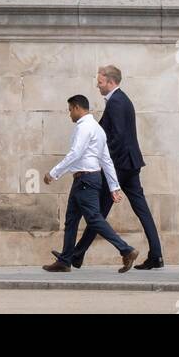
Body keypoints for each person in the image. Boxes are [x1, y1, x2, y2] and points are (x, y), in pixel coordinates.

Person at [70, 65, 163, 270]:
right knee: (140, 210)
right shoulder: (120, 100)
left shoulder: (117, 102)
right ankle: (156, 256)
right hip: (130, 164)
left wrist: (102, 161)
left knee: (98, 212)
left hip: (120, 165)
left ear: (111, 82)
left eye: (100, 82)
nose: (97, 85)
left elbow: (117, 137)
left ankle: (77, 255)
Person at [42, 94, 139, 273]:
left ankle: (126, 250)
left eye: (70, 110)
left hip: (85, 180)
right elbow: (106, 160)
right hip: (85, 180)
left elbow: (75, 153)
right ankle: (65, 260)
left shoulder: (84, 127)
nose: (69, 114)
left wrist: (53, 173)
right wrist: (114, 186)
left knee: (94, 219)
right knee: (71, 220)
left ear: (78, 108)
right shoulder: (97, 128)